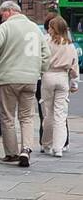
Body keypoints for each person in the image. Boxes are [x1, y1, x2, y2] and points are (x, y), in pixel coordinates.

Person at [0, 0, 51, 168]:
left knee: (8, 117)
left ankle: (11, 154)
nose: (2, 17)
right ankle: (26, 150)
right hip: (30, 79)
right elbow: (47, 54)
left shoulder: (6, 28)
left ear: (9, 11)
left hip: (9, 79)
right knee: (27, 117)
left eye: (2, 13)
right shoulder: (35, 28)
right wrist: (39, 70)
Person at [40, 15, 79, 158]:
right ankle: (59, 148)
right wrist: (74, 83)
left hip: (48, 76)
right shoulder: (69, 45)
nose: (48, 30)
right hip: (63, 77)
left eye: (50, 27)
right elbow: (74, 67)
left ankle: (47, 144)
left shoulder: (46, 41)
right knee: (60, 115)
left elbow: (40, 58)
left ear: (53, 28)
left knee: (48, 113)